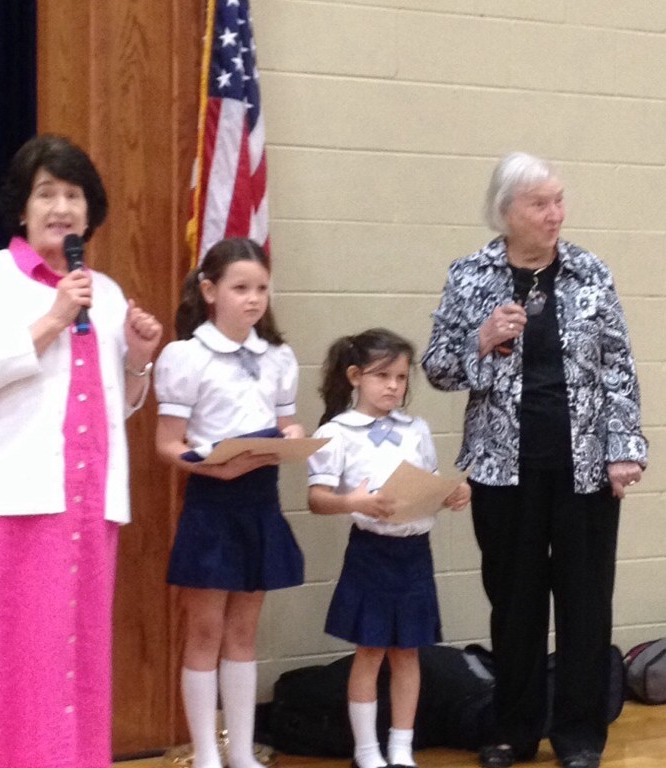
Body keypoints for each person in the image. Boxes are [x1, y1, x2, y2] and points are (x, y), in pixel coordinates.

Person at [0, 133, 163, 768]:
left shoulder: (107, 293)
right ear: (22, 209)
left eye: (73, 195)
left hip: (85, 511)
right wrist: (53, 318)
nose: (61, 207)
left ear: (89, 212)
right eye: (46, 194)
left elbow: (107, 409)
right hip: (0, 502)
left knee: (72, 662)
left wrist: (140, 364)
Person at [421, 152, 648, 768]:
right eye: (540, 203)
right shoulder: (471, 275)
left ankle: (578, 738)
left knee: (584, 603)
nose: (555, 214)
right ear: (507, 212)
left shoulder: (589, 272)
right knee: (515, 605)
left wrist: (624, 451)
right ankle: (513, 732)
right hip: (503, 469)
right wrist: (483, 340)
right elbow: (438, 367)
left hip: (584, 471)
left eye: (559, 200)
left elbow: (619, 369)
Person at [154, 237, 305, 768]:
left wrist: (292, 434)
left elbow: (285, 422)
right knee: (205, 630)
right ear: (210, 290)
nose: (253, 298)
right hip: (212, 500)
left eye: (262, 288)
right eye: (241, 288)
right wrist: (211, 465)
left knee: (243, 632)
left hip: (260, 499)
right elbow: (168, 442)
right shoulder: (185, 356)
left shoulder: (278, 357)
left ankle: (240, 753)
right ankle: (205, 754)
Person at [307, 328, 471, 768]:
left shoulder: (415, 428)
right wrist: (355, 502)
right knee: (370, 651)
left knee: (408, 652)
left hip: (415, 553)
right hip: (370, 552)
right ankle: (366, 749)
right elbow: (316, 499)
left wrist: (451, 495)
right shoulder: (337, 432)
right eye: (383, 376)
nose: (394, 386)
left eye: (401, 377)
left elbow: (429, 485)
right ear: (356, 376)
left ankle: (401, 746)